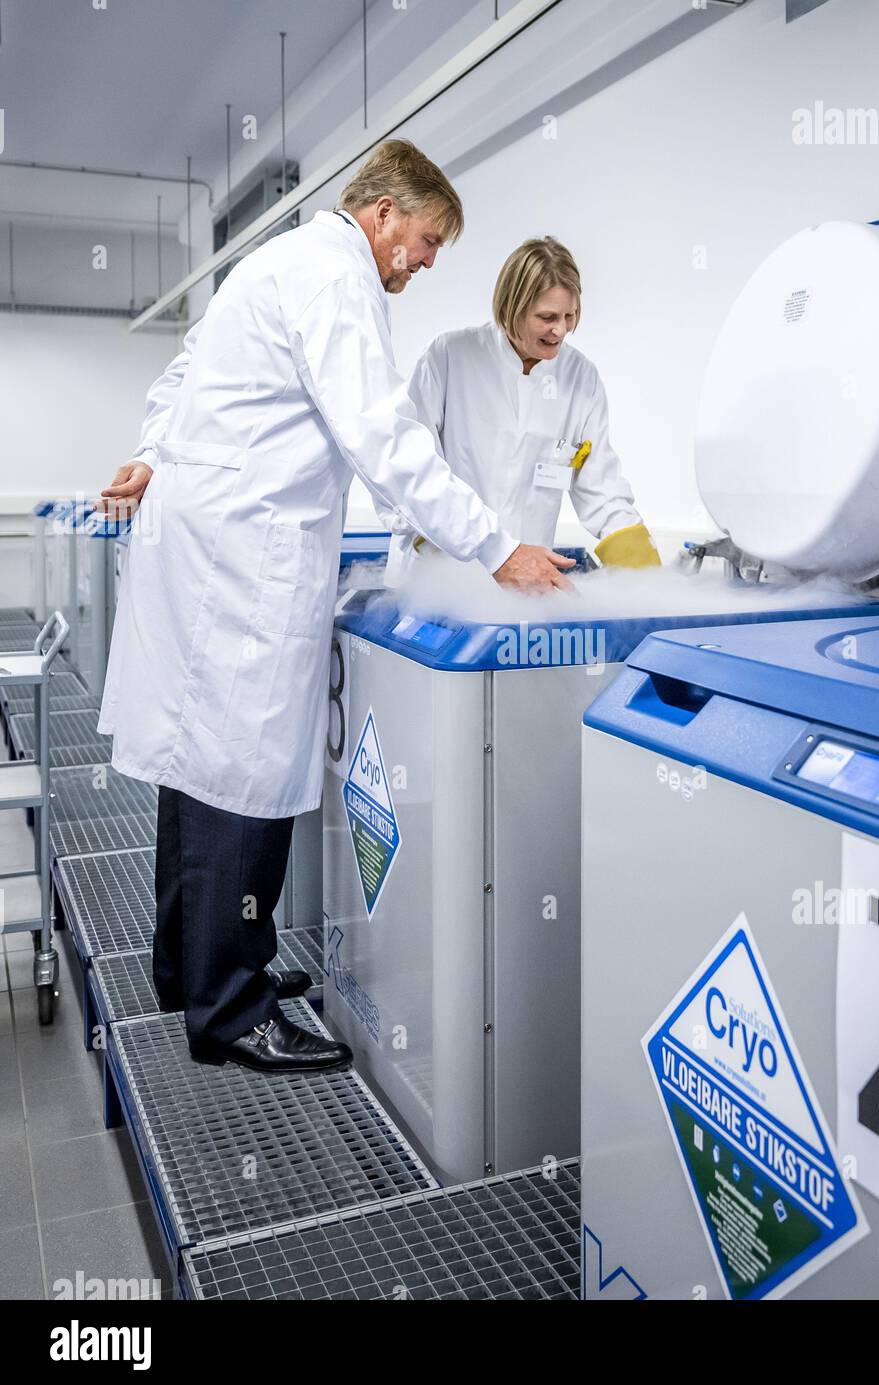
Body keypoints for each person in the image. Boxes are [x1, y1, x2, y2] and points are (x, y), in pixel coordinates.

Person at [96, 140, 574, 1074]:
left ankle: (187, 972)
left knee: (199, 774)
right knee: (241, 782)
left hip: (215, 546)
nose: (429, 260)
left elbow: (184, 375)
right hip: (244, 560)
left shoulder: (272, 265)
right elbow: (382, 437)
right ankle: (230, 1009)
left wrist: (152, 450)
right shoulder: (335, 278)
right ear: (385, 215)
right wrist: (495, 546)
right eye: (428, 240)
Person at [384, 236, 660, 584]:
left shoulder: (580, 379)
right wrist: (458, 553)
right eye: (546, 317)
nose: (560, 330)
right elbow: (409, 465)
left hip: (525, 587)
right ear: (511, 308)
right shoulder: (451, 357)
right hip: (438, 578)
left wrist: (652, 580)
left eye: (569, 316)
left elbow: (602, 490)